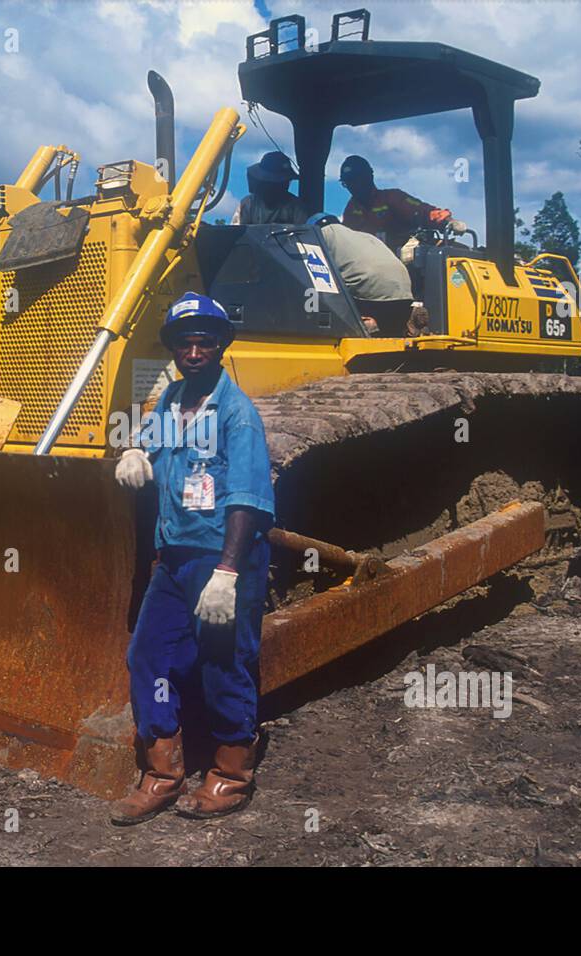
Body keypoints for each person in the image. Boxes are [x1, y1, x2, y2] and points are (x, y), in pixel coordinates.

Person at [110, 292, 275, 825]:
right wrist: (134, 450)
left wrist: (227, 573)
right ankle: (162, 772)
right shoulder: (171, 399)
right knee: (148, 656)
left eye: (206, 340)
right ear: (175, 349)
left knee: (223, 661)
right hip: (175, 560)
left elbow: (248, 499)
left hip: (222, 561)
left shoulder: (237, 414)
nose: (195, 350)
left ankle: (231, 772)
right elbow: (153, 446)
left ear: (221, 346)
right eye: (186, 341)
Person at [309, 212, 428, 337]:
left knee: (332, 289)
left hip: (370, 286)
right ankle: (405, 316)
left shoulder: (320, 235)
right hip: (404, 287)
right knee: (388, 304)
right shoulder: (365, 236)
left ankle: (368, 323)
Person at [339, 155, 459, 253]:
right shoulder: (351, 210)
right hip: (369, 268)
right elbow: (345, 242)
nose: (352, 186)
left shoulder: (392, 198)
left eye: (356, 181)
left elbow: (424, 212)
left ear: (368, 177)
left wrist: (448, 221)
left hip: (404, 264)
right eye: (347, 183)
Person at [231, 151, 310, 226]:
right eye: (272, 183)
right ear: (262, 182)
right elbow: (235, 233)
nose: (276, 188)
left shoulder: (296, 208)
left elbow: (305, 236)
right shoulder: (248, 204)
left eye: (283, 183)